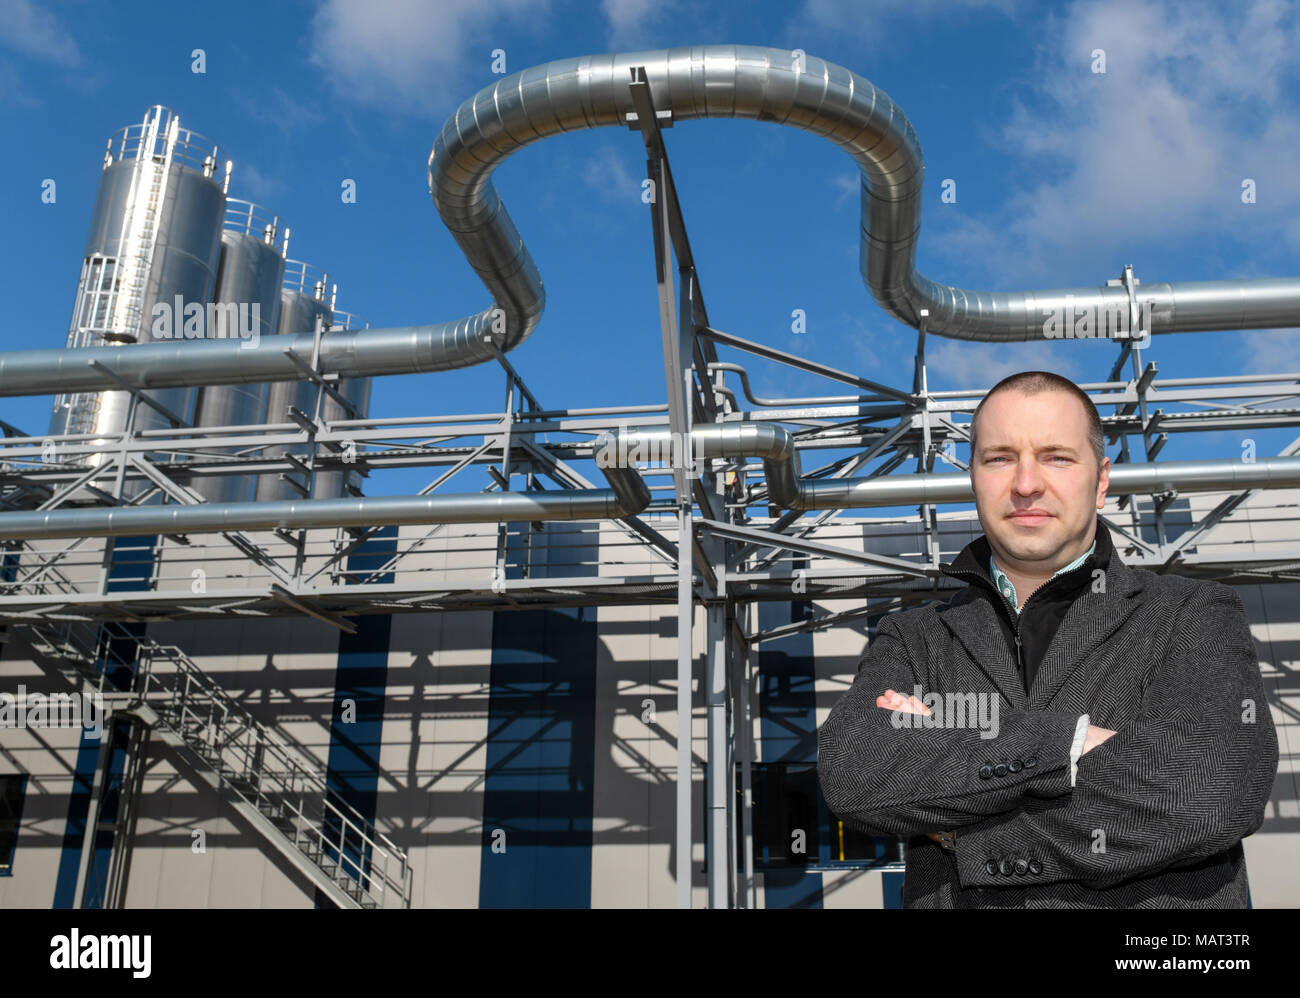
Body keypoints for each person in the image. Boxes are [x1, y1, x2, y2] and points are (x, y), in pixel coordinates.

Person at [816, 370, 1278, 908]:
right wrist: (1071, 745)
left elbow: (1212, 791)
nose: (1027, 483)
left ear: (1101, 479)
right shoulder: (913, 636)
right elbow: (854, 772)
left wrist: (968, 832)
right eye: (999, 458)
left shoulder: (1192, 613)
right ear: (973, 477)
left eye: (1057, 457)